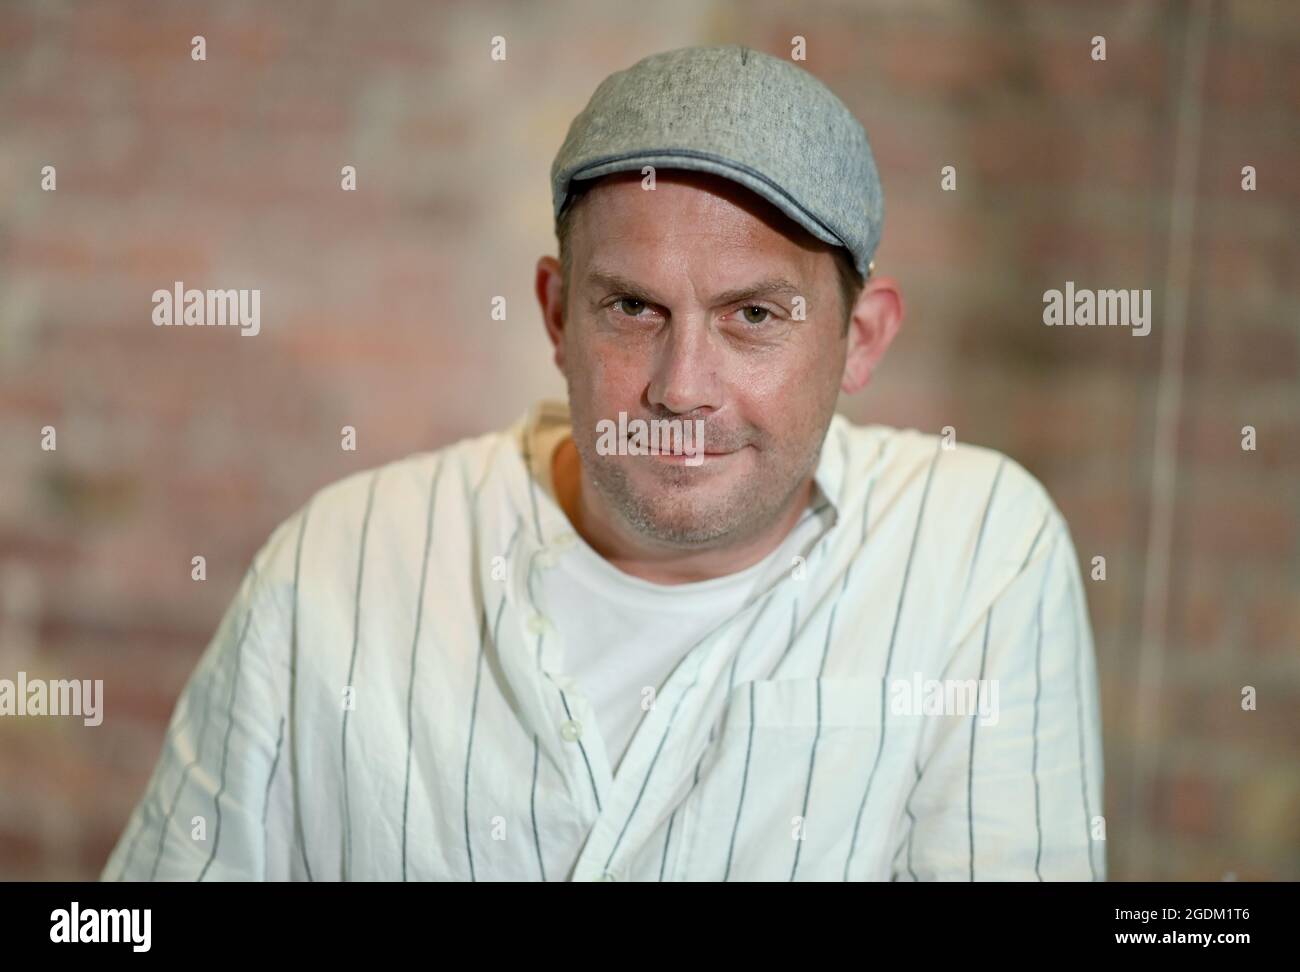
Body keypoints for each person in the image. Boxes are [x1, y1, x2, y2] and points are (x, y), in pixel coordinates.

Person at [103, 44, 1104, 882]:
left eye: (752, 317)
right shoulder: (336, 568)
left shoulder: (975, 555)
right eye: (633, 309)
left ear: (861, 341)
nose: (680, 387)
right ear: (554, 313)